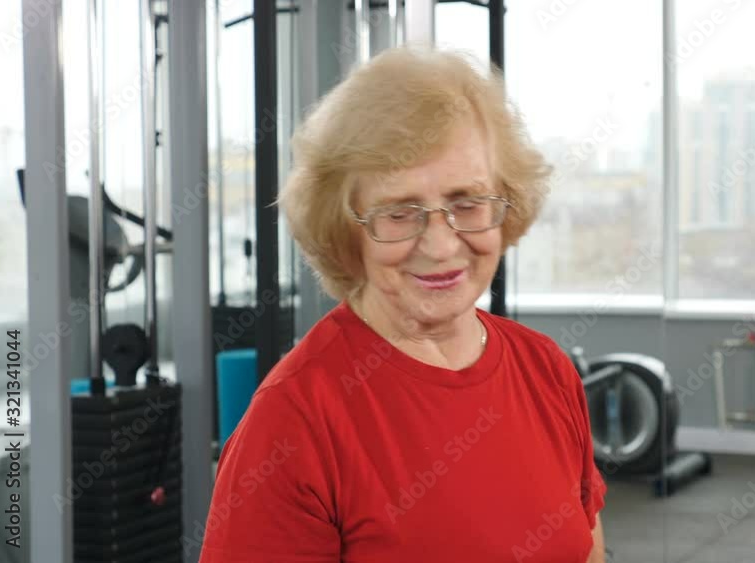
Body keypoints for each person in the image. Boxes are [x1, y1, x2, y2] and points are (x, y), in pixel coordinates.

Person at [198, 45, 607, 563]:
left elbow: (586, 549)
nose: (440, 245)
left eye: (467, 202)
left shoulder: (546, 368)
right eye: (399, 212)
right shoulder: (293, 420)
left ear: (505, 205)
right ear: (348, 229)